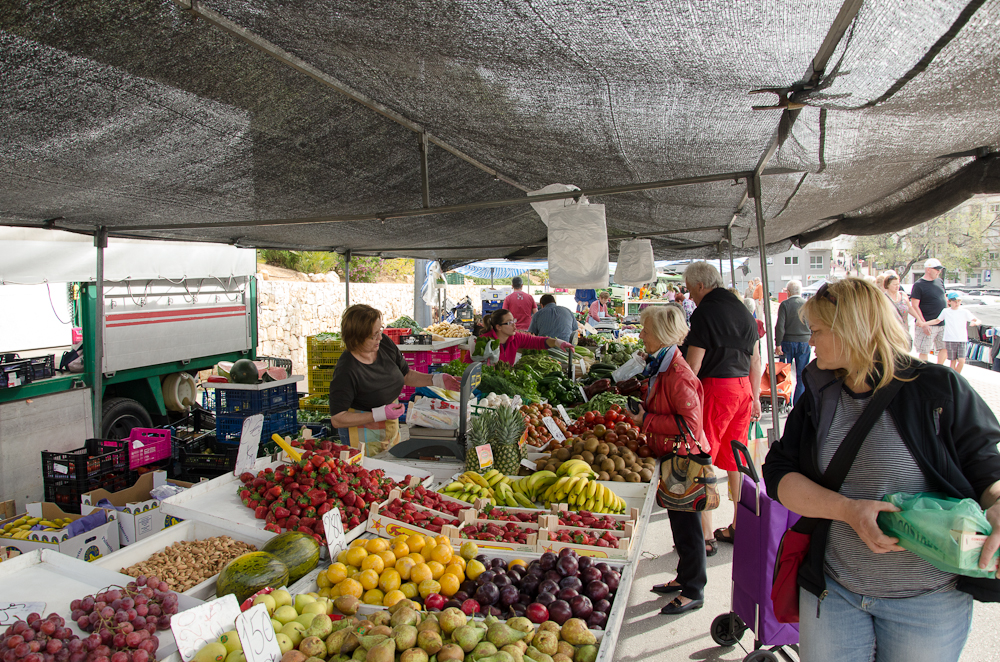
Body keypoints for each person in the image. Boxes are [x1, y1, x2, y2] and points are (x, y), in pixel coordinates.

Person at [763, 278, 1000, 662]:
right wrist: (847, 511)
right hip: (834, 590)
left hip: (928, 602)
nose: (811, 342)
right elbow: (779, 474)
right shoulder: (819, 397)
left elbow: (987, 463)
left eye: (819, 331)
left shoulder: (938, 389)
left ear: (852, 330)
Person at [630, 305, 711, 615]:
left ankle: (694, 591)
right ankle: (685, 577)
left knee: (689, 529)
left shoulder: (678, 373)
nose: (641, 335)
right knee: (679, 525)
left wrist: (646, 420)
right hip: (672, 455)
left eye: (646, 331)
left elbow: (691, 426)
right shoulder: (662, 366)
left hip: (685, 459)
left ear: (661, 335)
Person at [682, 262, 763, 555]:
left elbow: (693, 364)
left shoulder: (705, 311)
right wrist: (754, 398)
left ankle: (705, 536)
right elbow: (756, 361)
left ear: (701, 286)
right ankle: (739, 525)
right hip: (743, 390)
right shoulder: (743, 309)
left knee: (701, 458)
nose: (690, 296)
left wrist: (681, 399)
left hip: (716, 390)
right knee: (734, 462)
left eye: (690, 289)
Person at [329, 304, 461, 453]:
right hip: (361, 433)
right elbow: (338, 418)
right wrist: (379, 414)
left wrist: (437, 380)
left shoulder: (384, 344)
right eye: (373, 335)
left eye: (380, 330)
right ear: (357, 337)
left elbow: (406, 375)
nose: (380, 337)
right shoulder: (346, 370)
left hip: (390, 422)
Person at [480, 309, 573, 364]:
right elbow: (468, 365)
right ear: (498, 327)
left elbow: (537, 341)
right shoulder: (483, 342)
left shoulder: (516, 337)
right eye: (509, 322)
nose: (514, 325)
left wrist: (557, 342)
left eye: (514, 321)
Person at [774, 280, 811, 405]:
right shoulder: (807, 305)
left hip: (787, 343)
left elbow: (780, 326)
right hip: (804, 343)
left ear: (788, 292)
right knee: (802, 375)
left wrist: (777, 343)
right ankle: (797, 403)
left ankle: (786, 400)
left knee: (784, 373)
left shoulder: (785, 305)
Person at [926, 292, 980, 374]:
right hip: (950, 339)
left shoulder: (964, 311)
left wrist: (975, 323)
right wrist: (924, 323)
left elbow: (977, 320)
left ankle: (957, 376)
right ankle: (954, 377)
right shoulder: (946, 311)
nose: (957, 303)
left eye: (958, 301)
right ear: (949, 302)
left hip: (962, 339)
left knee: (962, 360)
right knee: (952, 361)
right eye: (955, 301)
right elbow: (937, 320)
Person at [909, 258, 948, 364]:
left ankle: (939, 369)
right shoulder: (919, 284)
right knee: (924, 349)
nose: (939, 272)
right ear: (928, 269)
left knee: (944, 347)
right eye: (937, 269)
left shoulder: (940, 281)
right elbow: (915, 306)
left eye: (940, 270)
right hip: (927, 321)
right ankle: (924, 371)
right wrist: (923, 323)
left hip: (942, 322)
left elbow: (944, 298)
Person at [883, 273, 911, 347]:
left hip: (904, 330)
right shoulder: (883, 297)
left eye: (898, 284)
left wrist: (919, 319)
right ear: (888, 285)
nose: (897, 286)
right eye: (894, 284)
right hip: (891, 330)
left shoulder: (903, 295)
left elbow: (910, 308)